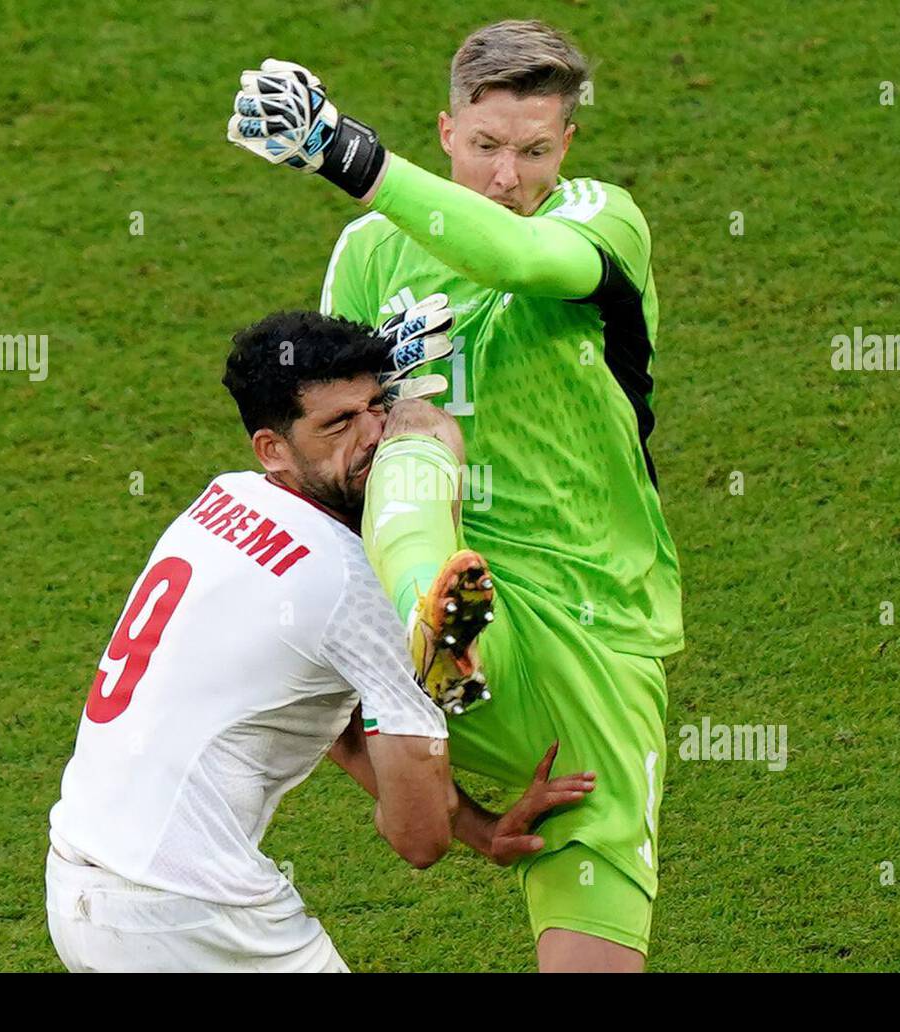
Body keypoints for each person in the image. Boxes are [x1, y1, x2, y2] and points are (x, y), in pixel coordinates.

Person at [228, 18, 683, 972]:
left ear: (568, 145)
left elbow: (517, 262)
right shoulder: (371, 252)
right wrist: (385, 390)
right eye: (484, 148)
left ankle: (445, 637)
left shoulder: (601, 220)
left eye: (533, 151)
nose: (507, 177)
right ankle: (444, 626)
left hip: (598, 635)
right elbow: (326, 456)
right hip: (447, 618)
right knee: (406, 438)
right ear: (445, 133)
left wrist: (338, 151)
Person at [45, 310, 592, 972]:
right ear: (273, 448)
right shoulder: (354, 585)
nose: (374, 437)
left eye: (377, 406)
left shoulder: (221, 500)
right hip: (193, 914)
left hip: (80, 881)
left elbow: (328, 719)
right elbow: (418, 840)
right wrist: (410, 792)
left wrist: (480, 827)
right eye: (339, 424)